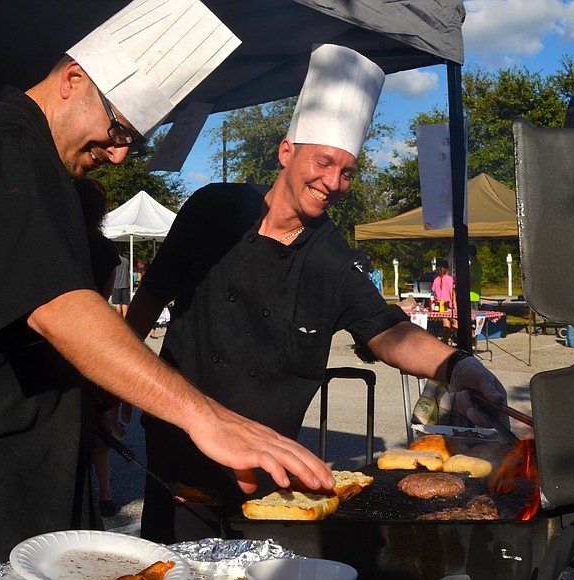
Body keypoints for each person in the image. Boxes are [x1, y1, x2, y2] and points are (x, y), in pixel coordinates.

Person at [0, 3, 333, 577]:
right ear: (74, 77)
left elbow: (20, 322)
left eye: (137, 142)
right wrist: (205, 416)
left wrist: (88, 395)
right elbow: (58, 308)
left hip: (27, 484)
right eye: (119, 129)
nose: (120, 153)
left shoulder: (42, 167)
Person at [126, 43, 509, 544]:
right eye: (324, 162)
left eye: (347, 171)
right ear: (287, 151)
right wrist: (114, 388)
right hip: (181, 455)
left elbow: (387, 330)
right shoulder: (213, 210)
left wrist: (461, 366)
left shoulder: (331, 255)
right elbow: (151, 295)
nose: (334, 182)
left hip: (269, 470)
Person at [75, 177, 126, 518]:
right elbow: (102, 302)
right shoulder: (108, 252)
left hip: (52, 350)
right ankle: (105, 496)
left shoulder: (57, 241)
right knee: (103, 427)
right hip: (90, 345)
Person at [431, 259, 456, 343]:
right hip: (448, 304)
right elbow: (451, 293)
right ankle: (444, 341)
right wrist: (455, 305)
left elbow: (434, 292)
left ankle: (443, 340)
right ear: (447, 269)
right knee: (454, 325)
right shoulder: (449, 279)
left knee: (446, 324)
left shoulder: (436, 280)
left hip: (440, 305)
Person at [469, 244, 483, 310]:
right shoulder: (477, 265)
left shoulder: (472, 267)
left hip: (471, 296)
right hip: (476, 295)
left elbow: (471, 283)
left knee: (472, 317)